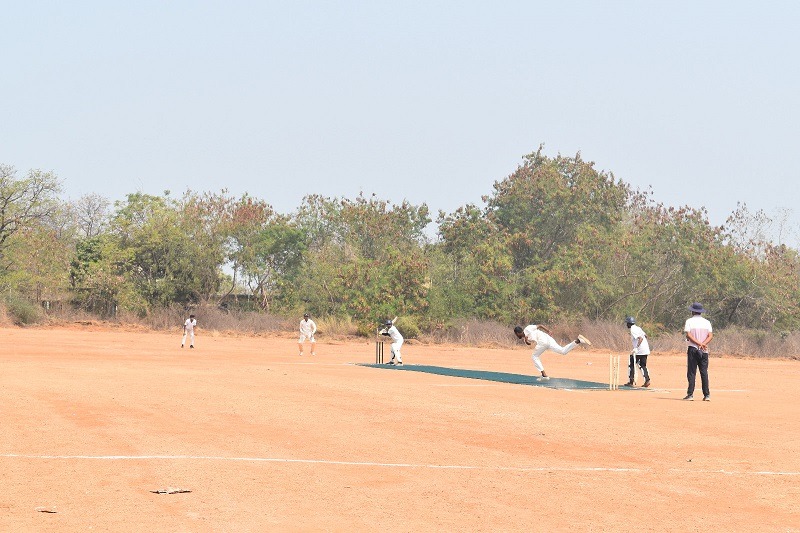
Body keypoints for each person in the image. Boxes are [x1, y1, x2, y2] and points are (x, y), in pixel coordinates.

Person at [513, 324, 592, 381]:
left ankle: (544, 375)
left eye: (516, 335)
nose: (517, 336)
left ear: (517, 333)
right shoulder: (525, 336)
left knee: (534, 357)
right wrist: (526, 340)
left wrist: (548, 331)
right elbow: (529, 343)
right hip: (548, 339)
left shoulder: (528, 328)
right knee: (563, 351)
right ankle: (578, 341)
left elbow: (540, 325)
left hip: (543, 340)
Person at [683, 302, 713, 401]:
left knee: (692, 372)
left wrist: (698, 343)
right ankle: (707, 395)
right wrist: (703, 344)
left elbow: (688, 335)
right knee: (704, 372)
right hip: (704, 350)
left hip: (693, 348)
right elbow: (710, 336)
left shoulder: (689, 321)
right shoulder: (707, 322)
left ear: (693, 311)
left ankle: (690, 394)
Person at [624, 316, 651, 387]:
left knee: (631, 364)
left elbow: (640, 338)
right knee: (642, 365)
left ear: (629, 323)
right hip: (645, 349)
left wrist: (636, 347)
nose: (626, 325)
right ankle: (647, 380)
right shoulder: (638, 328)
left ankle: (631, 381)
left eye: (627, 323)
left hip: (639, 350)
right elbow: (645, 335)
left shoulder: (633, 329)